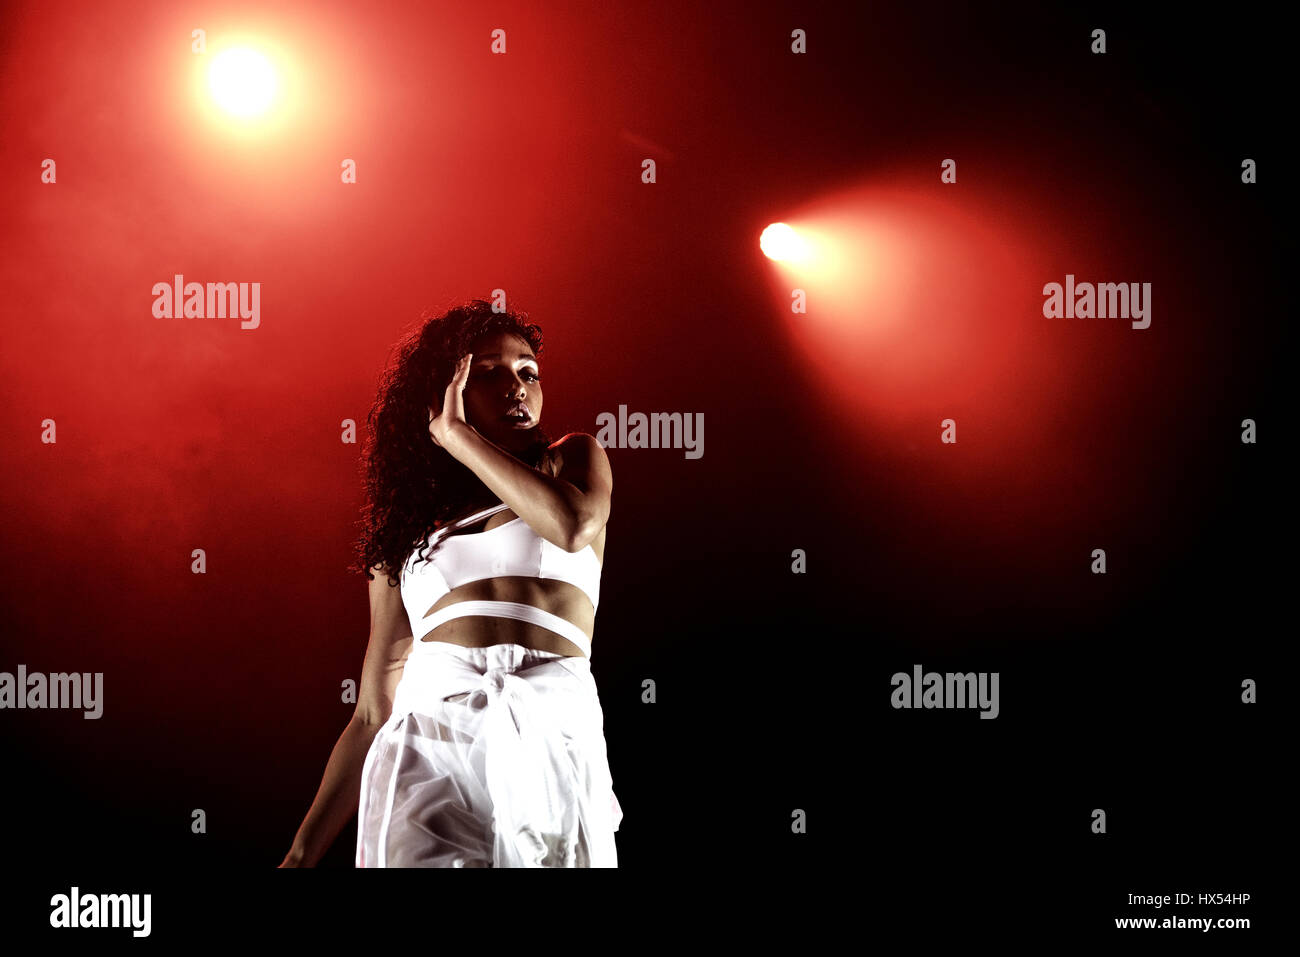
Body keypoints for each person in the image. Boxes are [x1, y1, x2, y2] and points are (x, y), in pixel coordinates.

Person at [280, 299, 621, 867]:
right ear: (445, 388)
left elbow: (572, 526)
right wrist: (300, 854)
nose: (516, 385)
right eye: (488, 372)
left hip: (552, 744)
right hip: (431, 749)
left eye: (528, 371)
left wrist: (455, 435)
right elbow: (372, 709)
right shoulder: (407, 531)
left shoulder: (571, 461)